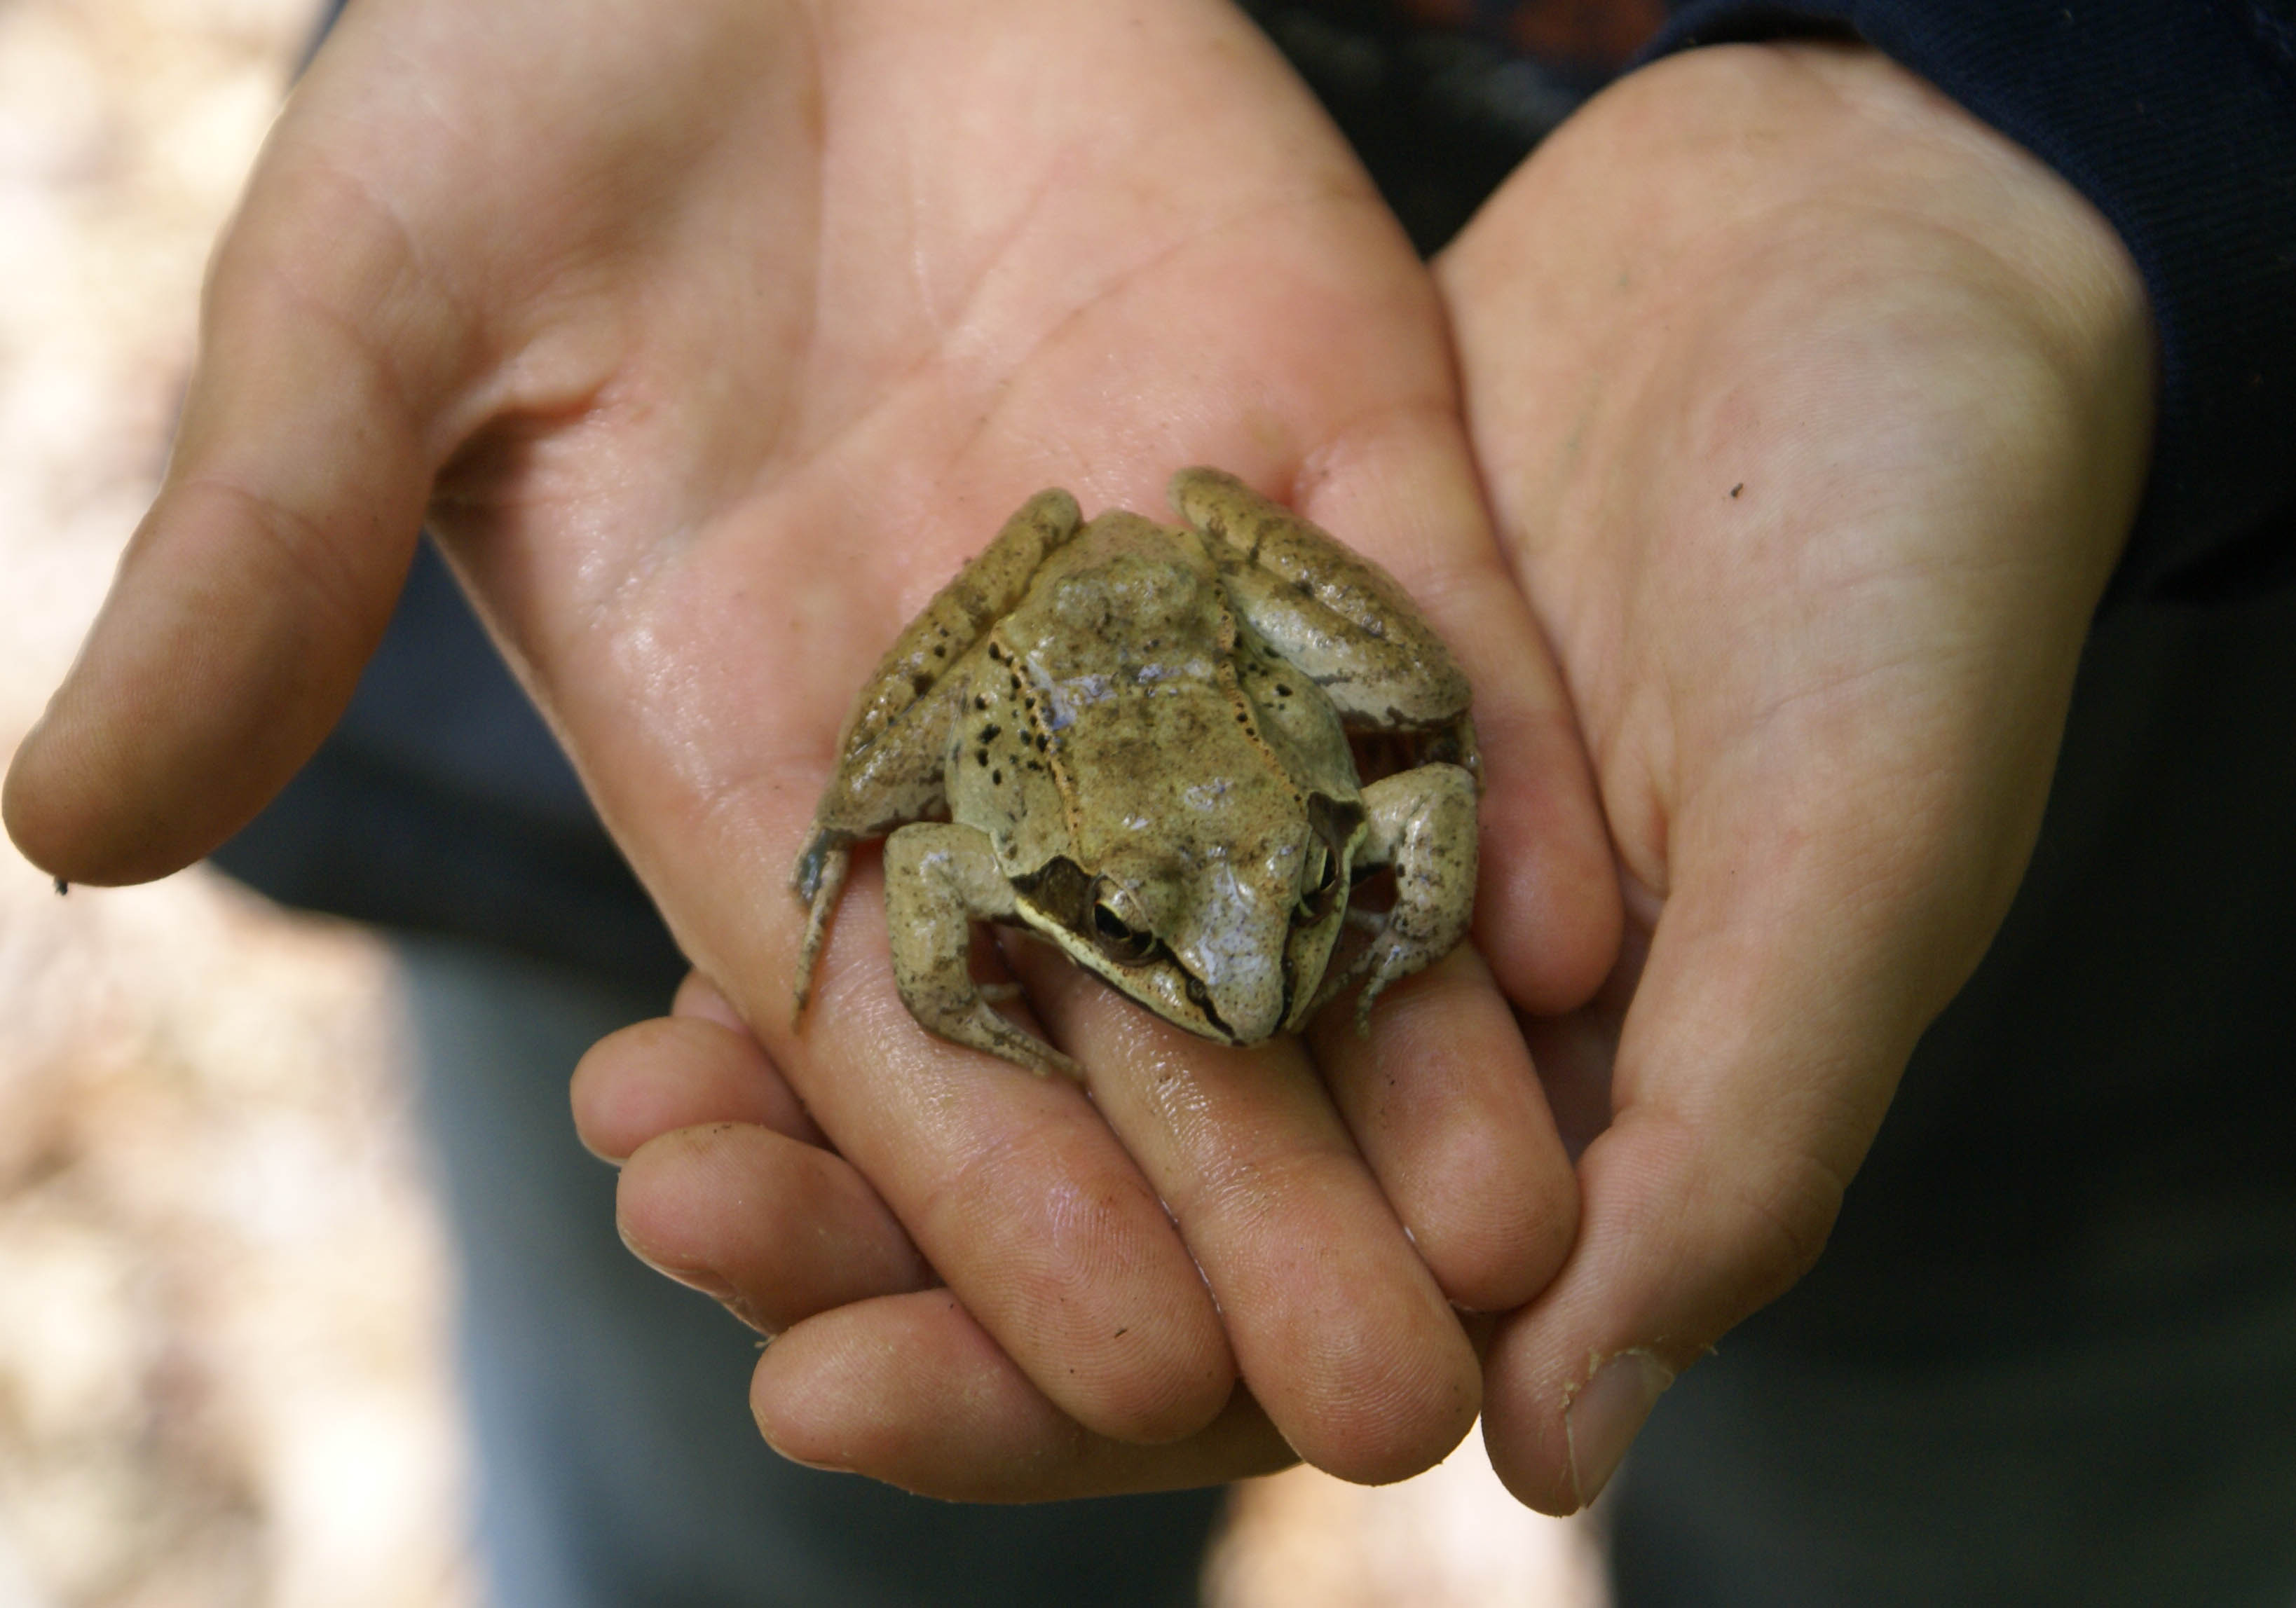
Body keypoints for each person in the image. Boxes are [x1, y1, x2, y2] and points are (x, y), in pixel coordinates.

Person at [7, 0, 2292, 1602]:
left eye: (1289, 930)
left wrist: (2108, 101)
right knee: (750, 1525)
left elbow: (1416, 795)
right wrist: (968, 959)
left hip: (2151, 927)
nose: (1245, 991)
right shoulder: (1010, 849)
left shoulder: (1310, 884)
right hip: (761, 676)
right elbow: (935, 887)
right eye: (1175, 954)